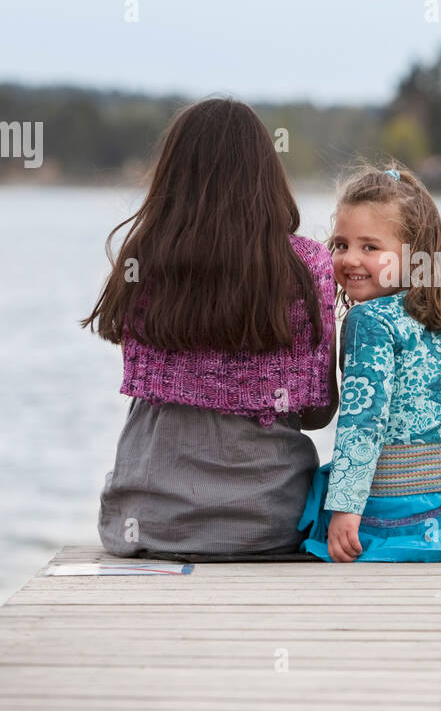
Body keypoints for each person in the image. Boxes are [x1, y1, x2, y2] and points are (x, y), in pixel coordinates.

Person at [82, 98, 337, 560]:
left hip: (149, 522)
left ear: (171, 176)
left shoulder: (146, 258)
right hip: (270, 522)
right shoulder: (308, 264)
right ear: (266, 174)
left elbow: (158, 384)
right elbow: (318, 410)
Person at [299, 165, 441, 562]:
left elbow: (362, 421)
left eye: (369, 247)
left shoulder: (367, 322)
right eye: (340, 244)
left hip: (396, 517)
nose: (350, 259)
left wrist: (345, 510)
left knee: (313, 495)